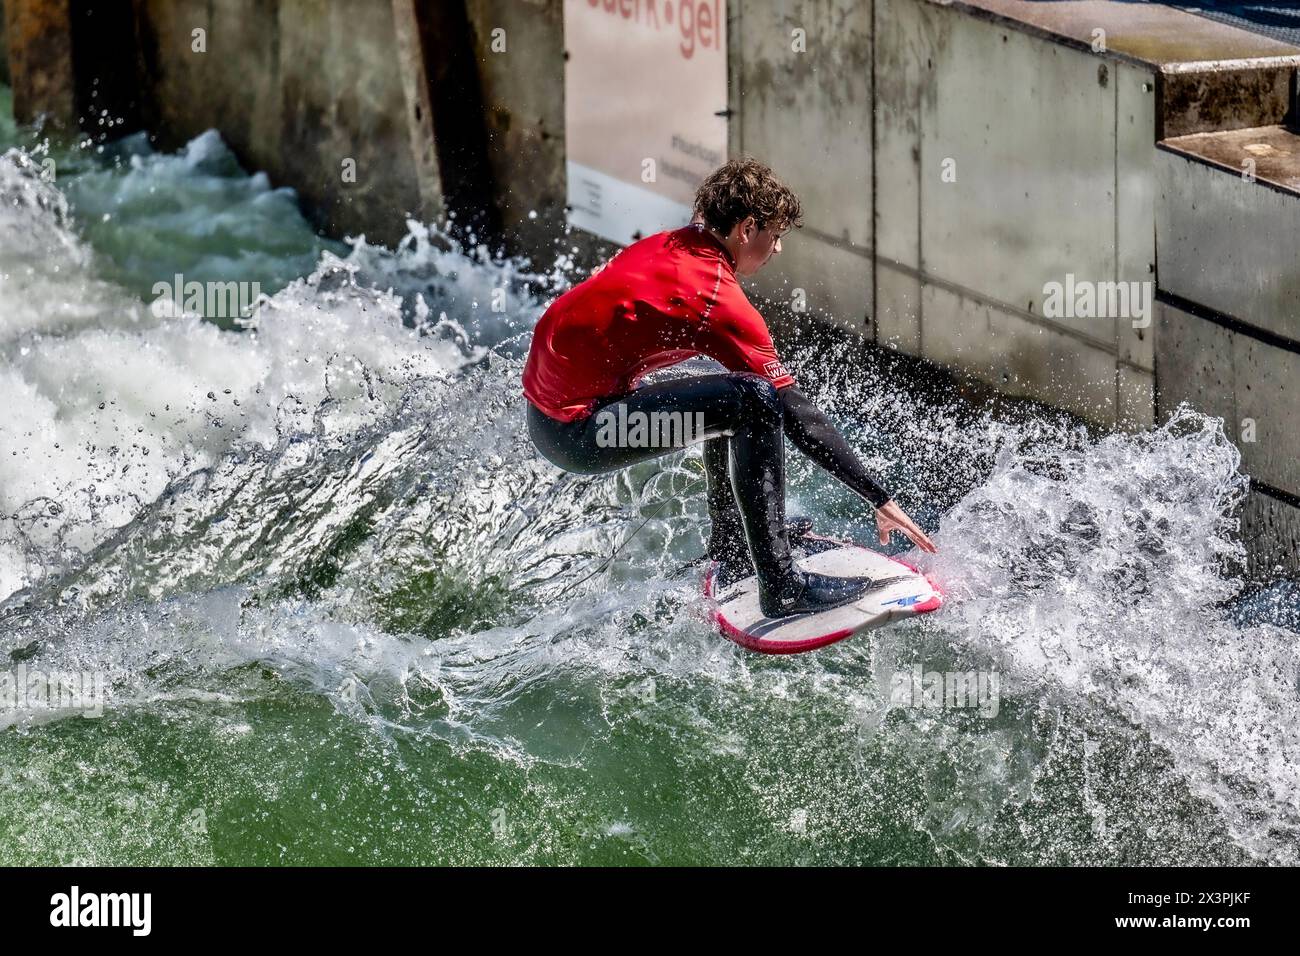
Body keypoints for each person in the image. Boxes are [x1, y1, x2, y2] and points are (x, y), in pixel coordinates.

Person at [523, 158, 936, 618]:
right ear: (746, 228)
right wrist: (879, 497)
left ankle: (734, 545)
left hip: (552, 418)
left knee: (731, 396)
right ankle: (782, 586)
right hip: (582, 436)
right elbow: (794, 411)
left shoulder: (673, 243)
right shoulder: (715, 297)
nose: (777, 248)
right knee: (754, 400)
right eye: (774, 235)